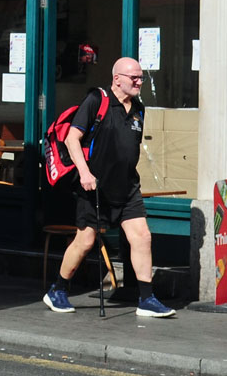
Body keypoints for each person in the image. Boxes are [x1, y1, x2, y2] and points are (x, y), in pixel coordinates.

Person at [43, 57, 176, 317]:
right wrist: (84, 173)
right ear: (117, 79)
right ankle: (57, 289)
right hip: (94, 187)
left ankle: (146, 299)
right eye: (134, 78)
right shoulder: (97, 100)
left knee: (142, 236)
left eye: (141, 77)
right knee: (85, 241)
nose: (139, 82)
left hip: (127, 187)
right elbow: (72, 139)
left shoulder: (138, 109)